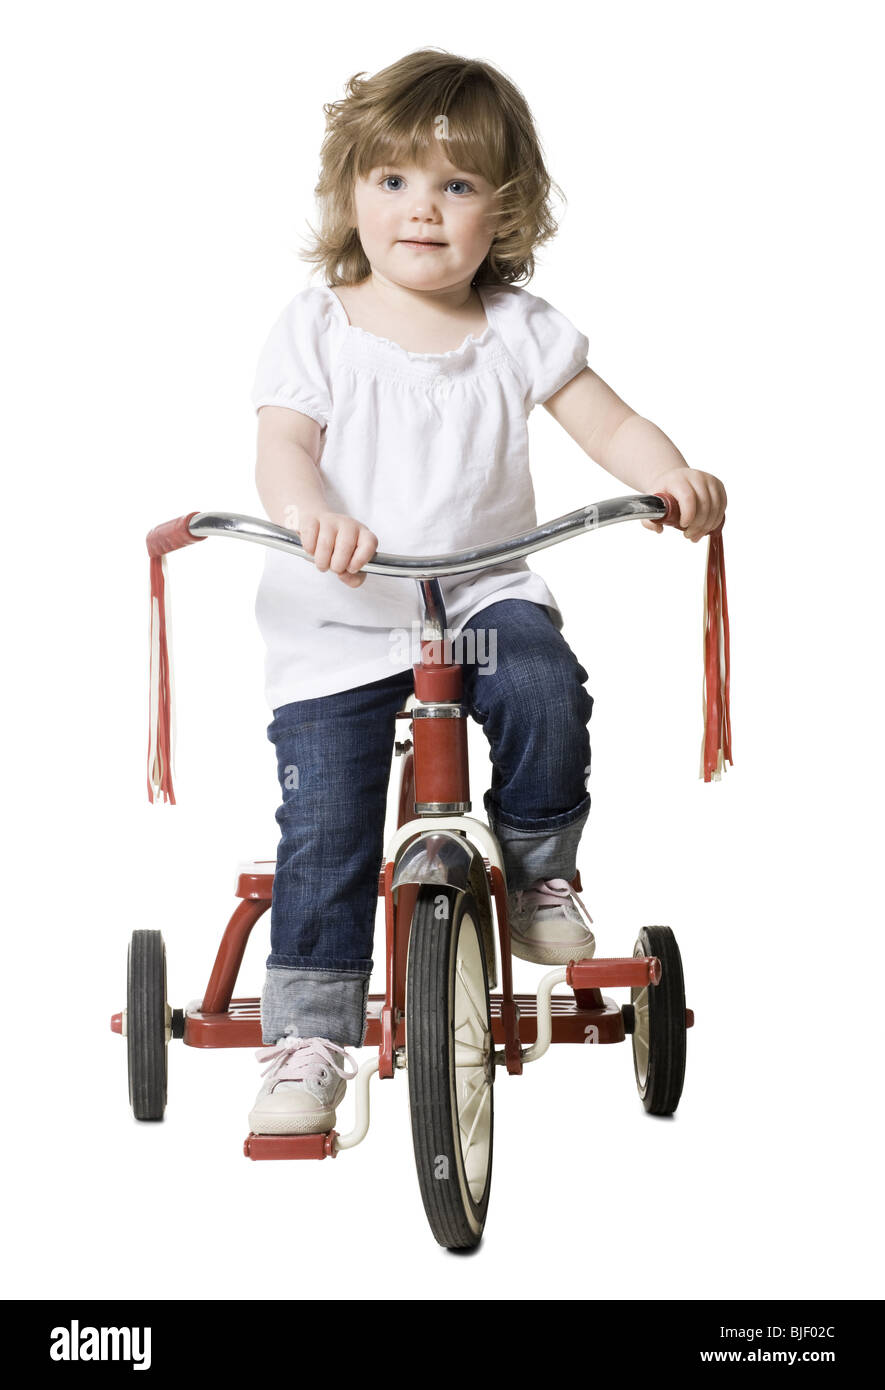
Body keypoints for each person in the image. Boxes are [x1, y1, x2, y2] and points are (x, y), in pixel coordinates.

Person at [247, 49, 727, 1137]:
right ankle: (311, 1038)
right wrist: (310, 506)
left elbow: (604, 418)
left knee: (545, 679)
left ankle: (542, 870)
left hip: (477, 601)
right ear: (351, 192)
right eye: (395, 180)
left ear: (503, 210)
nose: (424, 209)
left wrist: (667, 472)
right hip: (343, 617)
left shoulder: (517, 328)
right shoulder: (320, 324)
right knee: (324, 824)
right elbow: (282, 448)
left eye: (457, 185)